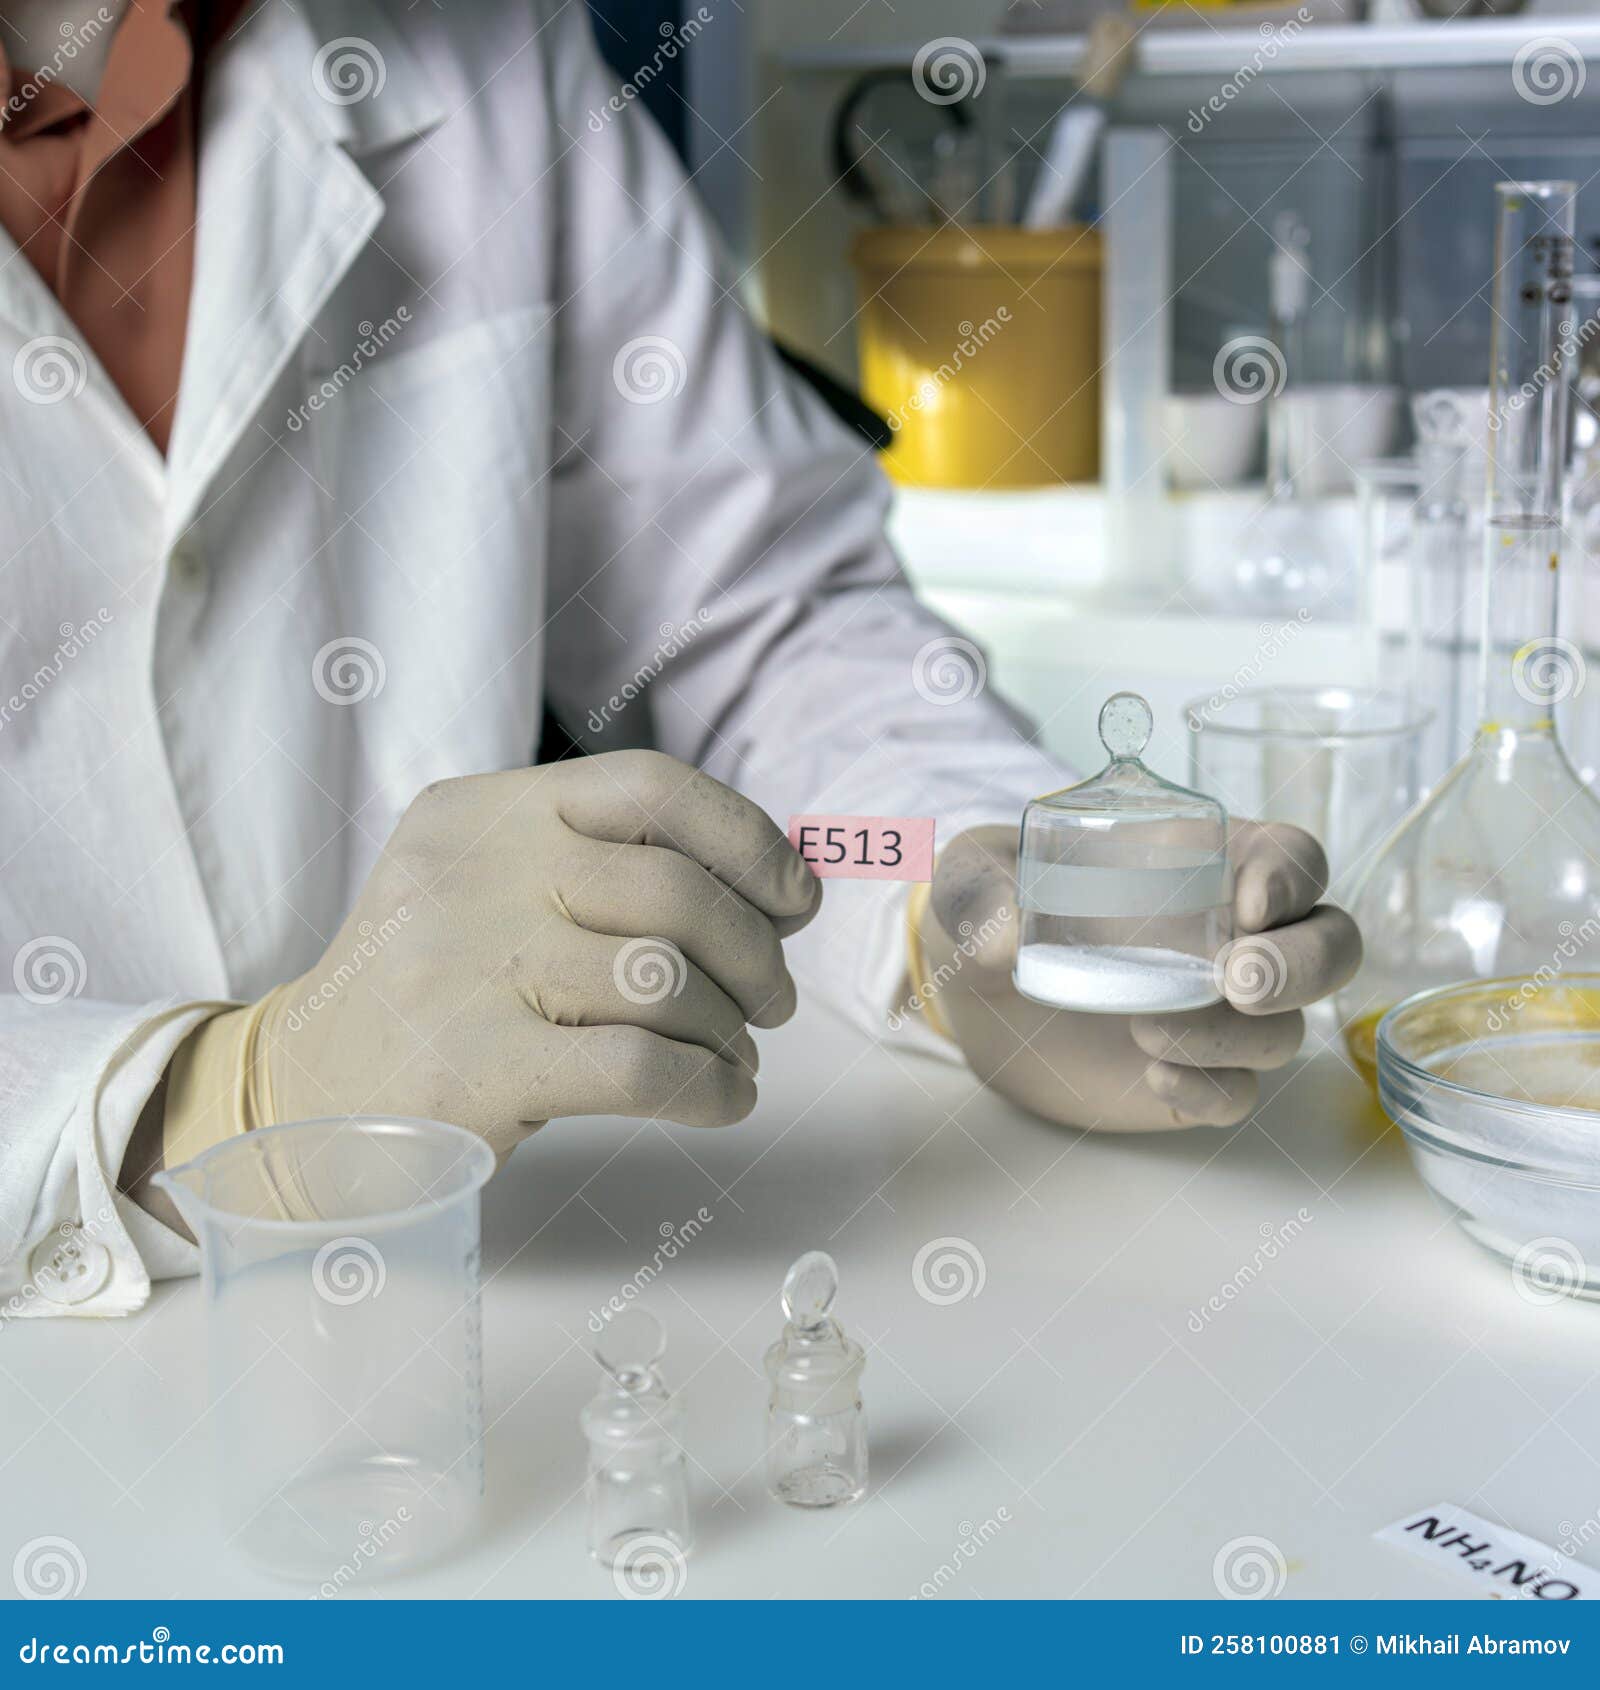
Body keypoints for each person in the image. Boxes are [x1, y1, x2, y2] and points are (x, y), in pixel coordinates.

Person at [0, 0, 1360, 1318]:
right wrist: (232, 1098)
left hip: (484, 1291)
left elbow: (755, 620)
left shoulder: (471, 40)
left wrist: (960, 922)